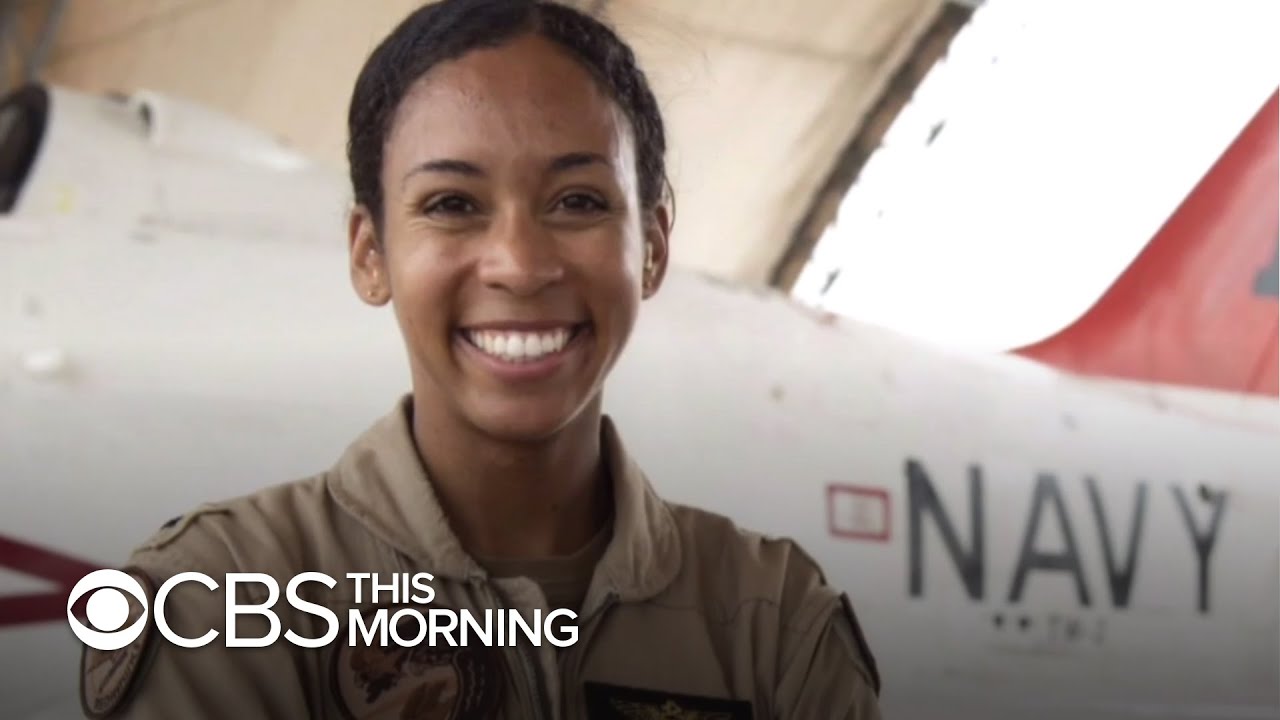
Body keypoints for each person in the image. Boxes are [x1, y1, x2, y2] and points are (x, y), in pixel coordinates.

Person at [78, 1, 882, 717]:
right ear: (370, 254)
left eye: (578, 202)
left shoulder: (772, 622)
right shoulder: (218, 599)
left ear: (654, 245)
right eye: (452, 205)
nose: (521, 264)